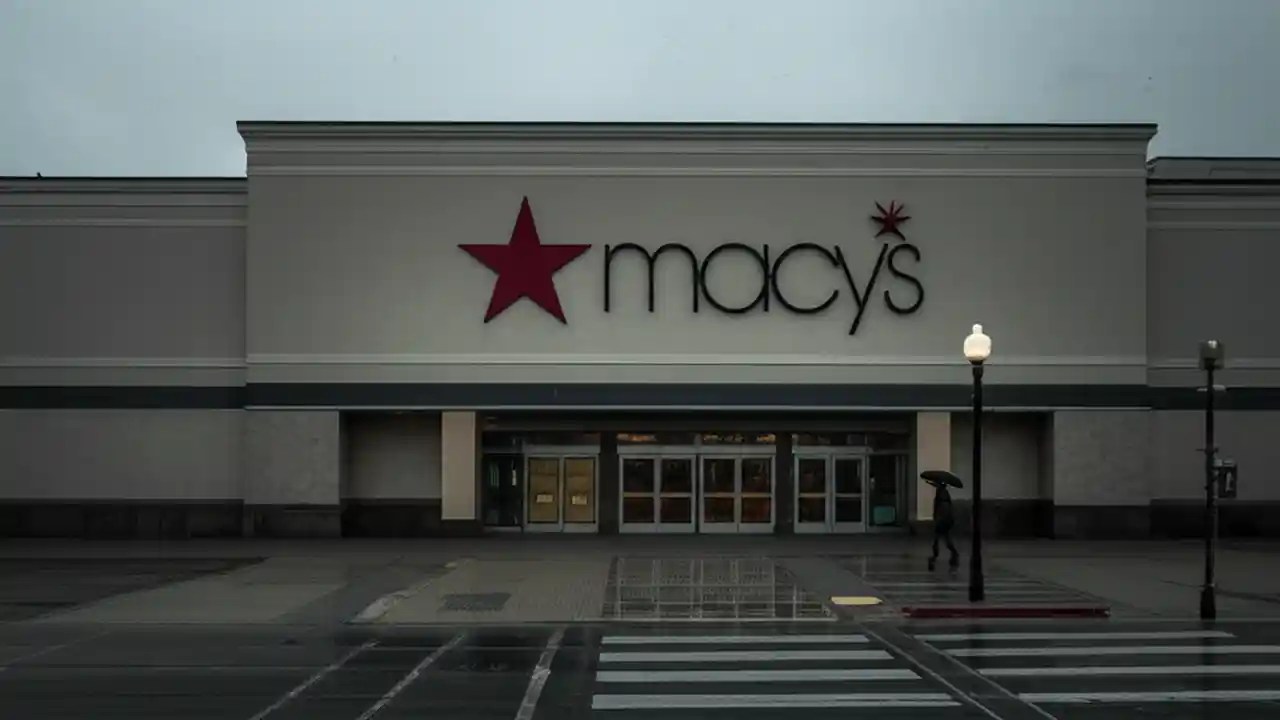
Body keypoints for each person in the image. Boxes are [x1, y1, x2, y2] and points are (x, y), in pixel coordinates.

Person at [929, 482, 960, 571]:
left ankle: (935, 556)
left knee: (939, 539)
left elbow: (942, 508)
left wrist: (938, 518)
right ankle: (952, 554)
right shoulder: (942, 493)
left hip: (943, 520)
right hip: (944, 519)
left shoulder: (942, 494)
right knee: (943, 539)